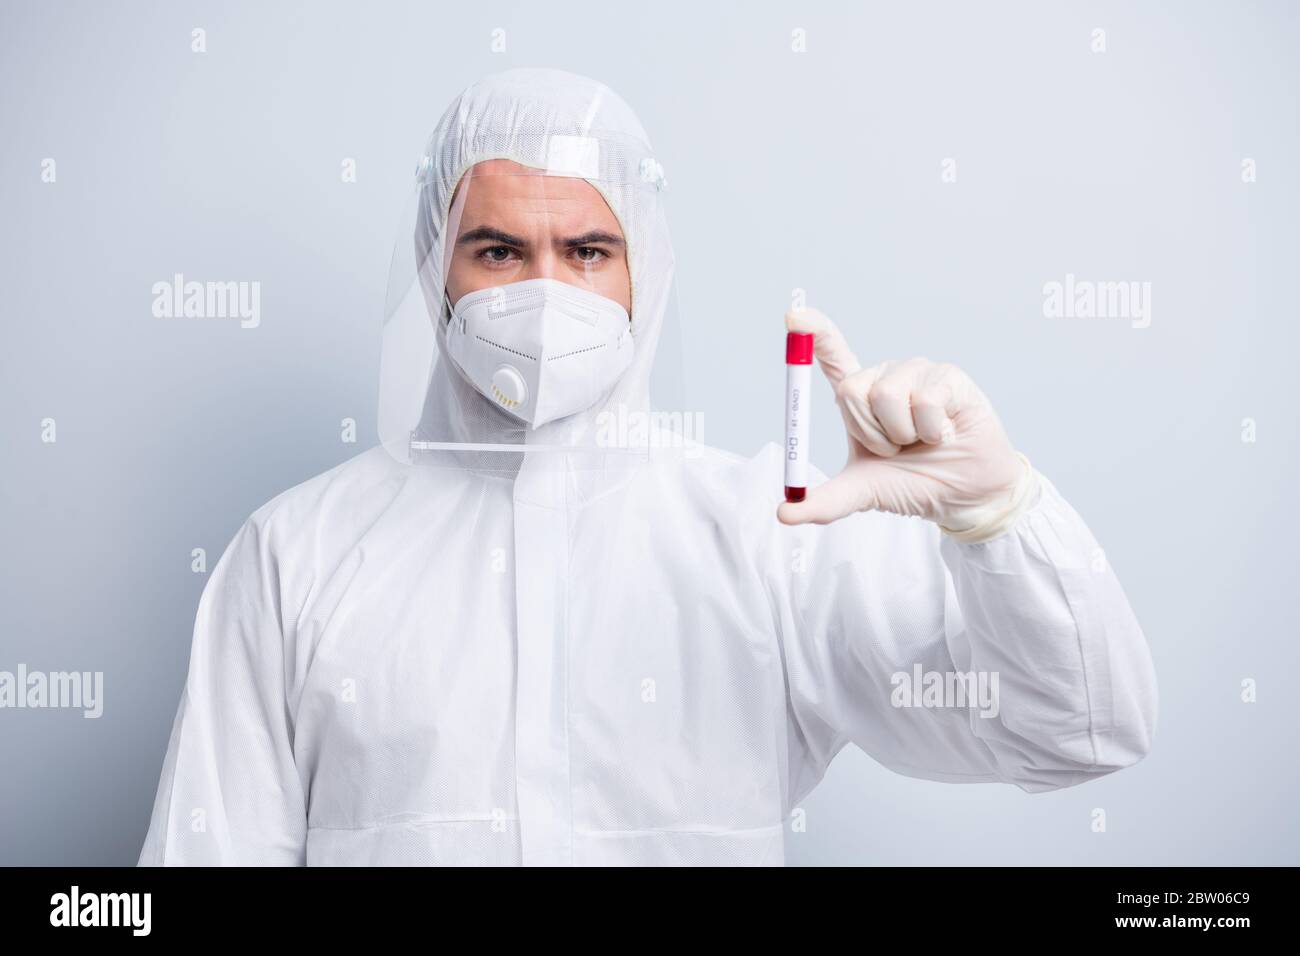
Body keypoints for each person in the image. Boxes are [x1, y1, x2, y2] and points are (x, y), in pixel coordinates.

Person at [137, 67, 1157, 867]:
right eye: (496, 251)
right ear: (433, 265)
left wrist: (994, 515)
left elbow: (1078, 731)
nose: (543, 291)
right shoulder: (297, 552)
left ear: (644, 271)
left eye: (586, 251)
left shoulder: (767, 529)